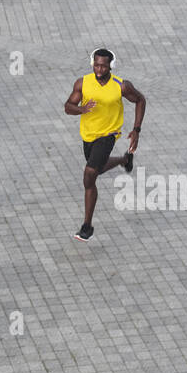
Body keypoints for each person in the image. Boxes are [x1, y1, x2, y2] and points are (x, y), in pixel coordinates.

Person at [63, 48, 146, 240]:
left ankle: (87, 226)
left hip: (109, 134)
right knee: (97, 169)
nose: (99, 69)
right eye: (97, 65)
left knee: (89, 174)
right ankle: (124, 160)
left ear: (111, 66)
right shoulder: (82, 83)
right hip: (88, 135)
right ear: (92, 63)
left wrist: (136, 130)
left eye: (104, 66)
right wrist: (81, 109)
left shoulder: (121, 86)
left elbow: (140, 100)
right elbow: (68, 107)